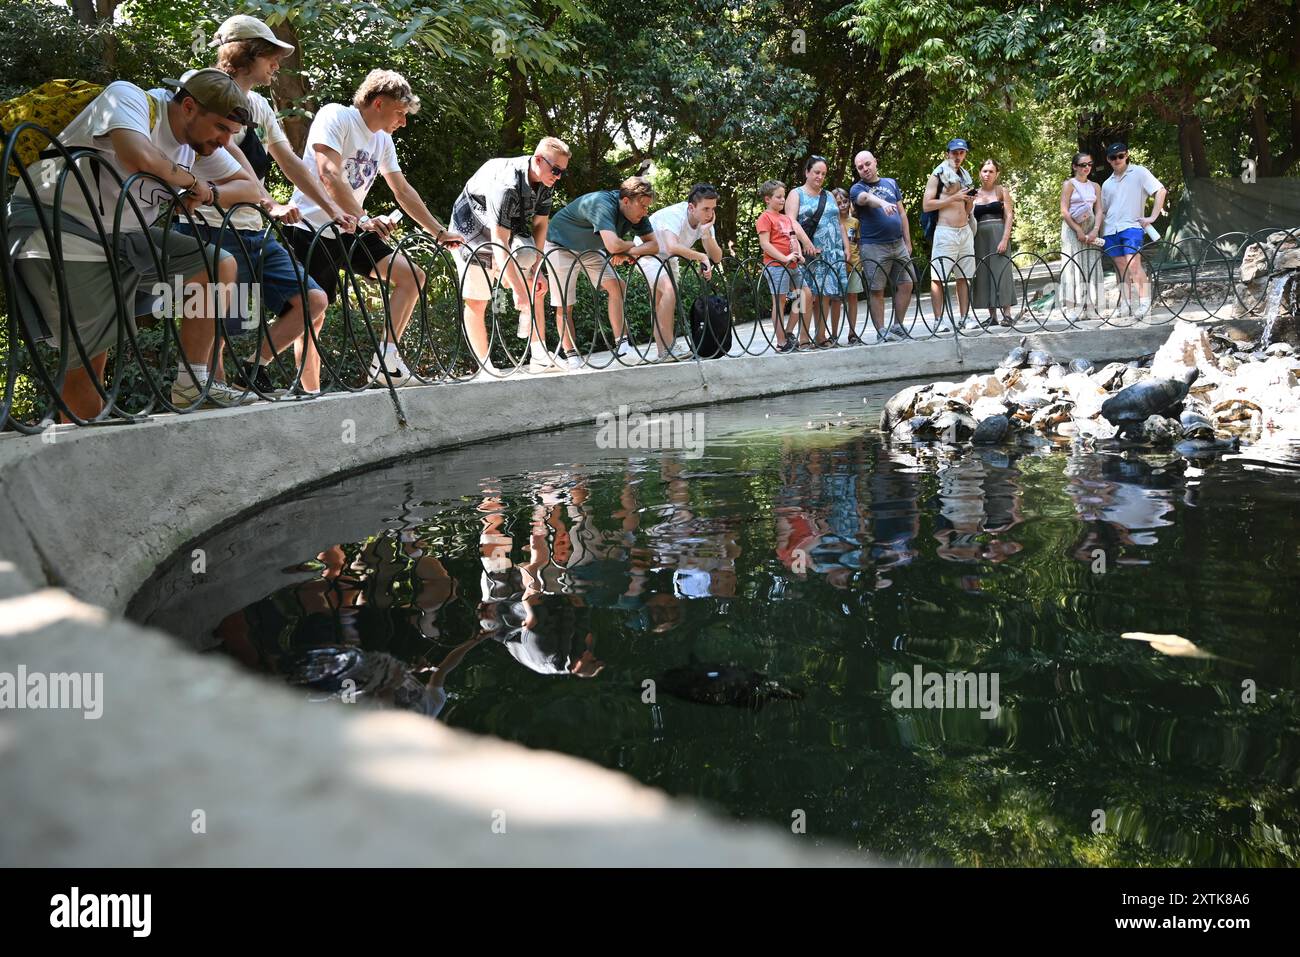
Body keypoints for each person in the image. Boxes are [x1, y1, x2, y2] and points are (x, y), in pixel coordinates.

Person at [9, 69, 263, 417]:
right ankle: (79, 455)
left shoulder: (197, 143)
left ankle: (192, 383)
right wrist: (191, 182)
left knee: (216, 263)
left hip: (121, 237)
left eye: (231, 134)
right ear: (189, 106)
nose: (224, 141)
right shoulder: (131, 98)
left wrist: (211, 192)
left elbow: (252, 189)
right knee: (89, 365)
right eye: (221, 128)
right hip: (60, 230)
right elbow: (136, 155)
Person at [176, 15, 353, 397]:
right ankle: (208, 397)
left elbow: (290, 161)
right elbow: (228, 152)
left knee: (312, 299)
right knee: (216, 322)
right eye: (270, 55)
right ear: (247, 53)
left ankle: (252, 369)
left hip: (252, 227)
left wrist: (333, 209)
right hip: (207, 224)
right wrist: (269, 201)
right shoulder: (203, 88)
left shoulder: (258, 105)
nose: (277, 64)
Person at [285, 69, 463, 387]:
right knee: (314, 315)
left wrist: (438, 230)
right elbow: (329, 174)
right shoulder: (336, 116)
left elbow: (402, 191)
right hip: (312, 229)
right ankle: (309, 392)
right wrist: (365, 218)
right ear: (378, 103)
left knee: (412, 276)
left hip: (352, 230)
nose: (403, 122)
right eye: (400, 113)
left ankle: (386, 361)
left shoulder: (382, 140)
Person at [450, 138, 569, 375]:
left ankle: (539, 355)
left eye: (562, 172)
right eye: (555, 170)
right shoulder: (506, 185)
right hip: (470, 229)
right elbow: (499, 242)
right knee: (477, 298)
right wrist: (517, 289)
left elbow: (540, 224)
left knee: (536, 285)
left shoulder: (546, 180)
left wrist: (536, 269)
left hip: (504, 228)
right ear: (538, 160)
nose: (558, 176)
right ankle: (485, 368)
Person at [543, 176, 660, 369]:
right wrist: (632, 246)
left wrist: (626, 250)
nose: (645, 211)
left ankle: (622, 347)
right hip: (559, 245)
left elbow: (654, 245)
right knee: (565, 303)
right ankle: (571, 355)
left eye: (647, 206)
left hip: (589, 249)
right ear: (625, 201)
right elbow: (613, 245)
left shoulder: (637, 214)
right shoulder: (602, 204)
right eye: (643, 206)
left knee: (617, 286)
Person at [632, 183, 724, 361]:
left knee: (663, 302)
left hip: (668, 257)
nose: (710, 214)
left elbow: (717, 256)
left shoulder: (705, 221)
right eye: (706, 209)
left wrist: (706, 235)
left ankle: (663, 352)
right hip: (647, 252)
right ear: (691, 207)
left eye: (713, 209)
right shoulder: (675, 214)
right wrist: (701, 256)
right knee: (669, 291)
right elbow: (672, 246)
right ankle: (670, 347)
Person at [850, 150, 914, 343]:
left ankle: (898, 325)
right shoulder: (856, 188)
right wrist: (882, 203)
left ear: (875, 162)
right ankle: (881, 330)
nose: (865, 169)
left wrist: (907, 241)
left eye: (867, 164)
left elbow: (902, 214)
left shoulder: (891, 183)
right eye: (860, 167)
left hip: (898, 243)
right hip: (873, 245)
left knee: (907, 283)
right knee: (877, 289)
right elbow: (865, 199)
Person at [785, 155, 847, 347]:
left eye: (823, 173)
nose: (820, 176)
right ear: (807, 172)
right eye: (816, 172)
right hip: (805, 253)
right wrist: (806, 243)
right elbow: (790, 221)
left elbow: (838, 221)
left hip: (830, 252)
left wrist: (844, 247)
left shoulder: (828, 195)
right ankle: (799, 337)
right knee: (804, 296)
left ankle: (821, 336)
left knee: (825, 295)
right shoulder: (796, 194)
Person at [1100, 141, 1166, 317]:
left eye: (1121, 155)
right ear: (1108, 159)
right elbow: (1104, 210)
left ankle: (1144, 303)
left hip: (1131, 226)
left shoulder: (1139, 172)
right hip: (1110, 229)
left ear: (1126, 155)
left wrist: (1152, 217)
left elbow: (1161, 191)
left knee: (1134, 264)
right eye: (1113, 157)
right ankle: (1125, 303)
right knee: (1121, 268)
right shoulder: (1106, 184)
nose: (1117, 159)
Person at [923, 138, 977, 331]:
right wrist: (954, 197)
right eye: (954, 152)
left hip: (965, 231)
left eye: (961, 153)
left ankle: (965, 317)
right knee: (938, 277)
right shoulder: (938, 174)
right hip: (945, 231)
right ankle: (939, 320)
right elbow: (927, 204)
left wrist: (970, 200)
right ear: (947, 153)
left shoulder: (965, 175)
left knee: (964, 276)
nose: (958, 156)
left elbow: (967, 207)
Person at [755, 180, 813, 352]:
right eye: (778, 197)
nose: (782, 200)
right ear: (767, 199)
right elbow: (765, 244)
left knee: (805, 295)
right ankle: (781, 342)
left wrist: (799, 254)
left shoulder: (786, 218)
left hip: (792, 264)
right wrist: (784, 257)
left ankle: (788, 331)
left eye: (783, 196)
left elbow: (792, 239)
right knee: (779, 301)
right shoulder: (765, 218)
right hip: (776, 265)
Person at [1059, 151, 1106, 321]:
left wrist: (1096, 229)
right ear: (1074, 167)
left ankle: (1092, 306)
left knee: (1092, 264)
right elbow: (1064, 210)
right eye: (1082, 165)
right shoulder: (1069, 184)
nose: (1086, 168)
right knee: (1074, 265)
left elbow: (1099, 209)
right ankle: (1073, 307)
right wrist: (1077, 229)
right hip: (1073, 228)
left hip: (1091, 227)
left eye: (1089, 164)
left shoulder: (1095, 186)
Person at [970, 158, 1016, 326]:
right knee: (985, 273)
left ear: (997, 174)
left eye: (991, 171)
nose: (987, 174)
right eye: (984, 171)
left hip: (999, 234)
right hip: (979, 237)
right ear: (979, 173)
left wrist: (1005, 238)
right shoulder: (973, 193)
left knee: (1001, 272)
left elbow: (1009, 215)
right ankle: (992, 316)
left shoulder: (1001, 191)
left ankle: (1007, 314)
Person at [834, 188, 864, 343]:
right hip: (837, 266)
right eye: (838, 203)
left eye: (845, 202)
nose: (842, 205)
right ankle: (833, 334)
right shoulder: (832, 222)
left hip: (854, 265)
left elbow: (858, 243)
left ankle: (852, 333)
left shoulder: (855, 222)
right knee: (836, 300)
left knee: (853, 297)